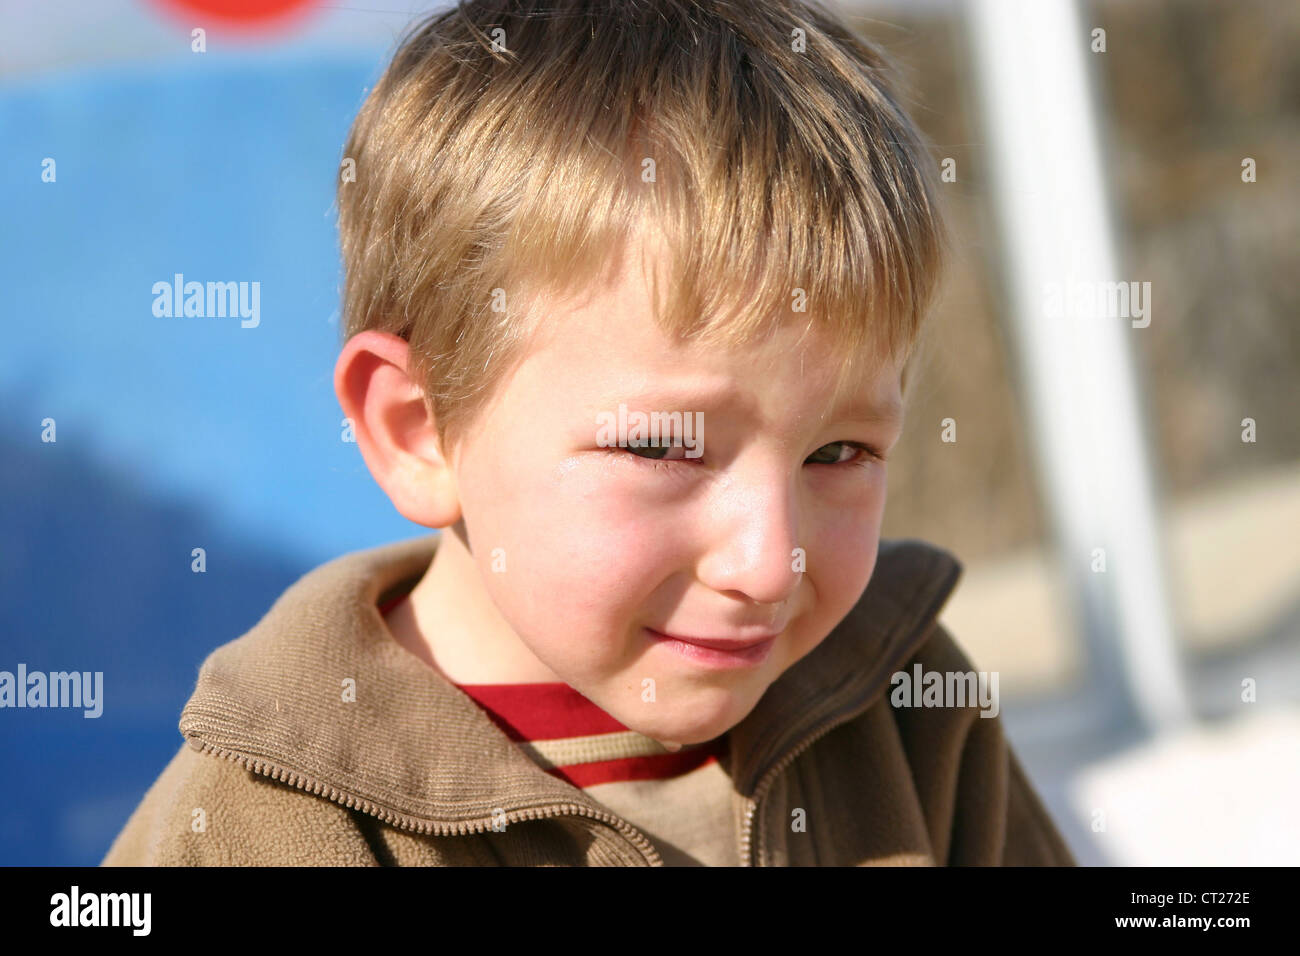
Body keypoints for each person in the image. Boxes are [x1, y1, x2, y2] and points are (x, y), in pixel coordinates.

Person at [103, 0, 1075, 866]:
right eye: (664, 446)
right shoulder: (257, 827)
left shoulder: (901, 700)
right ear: (417, 429)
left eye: (838, 453)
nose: (767, 563)